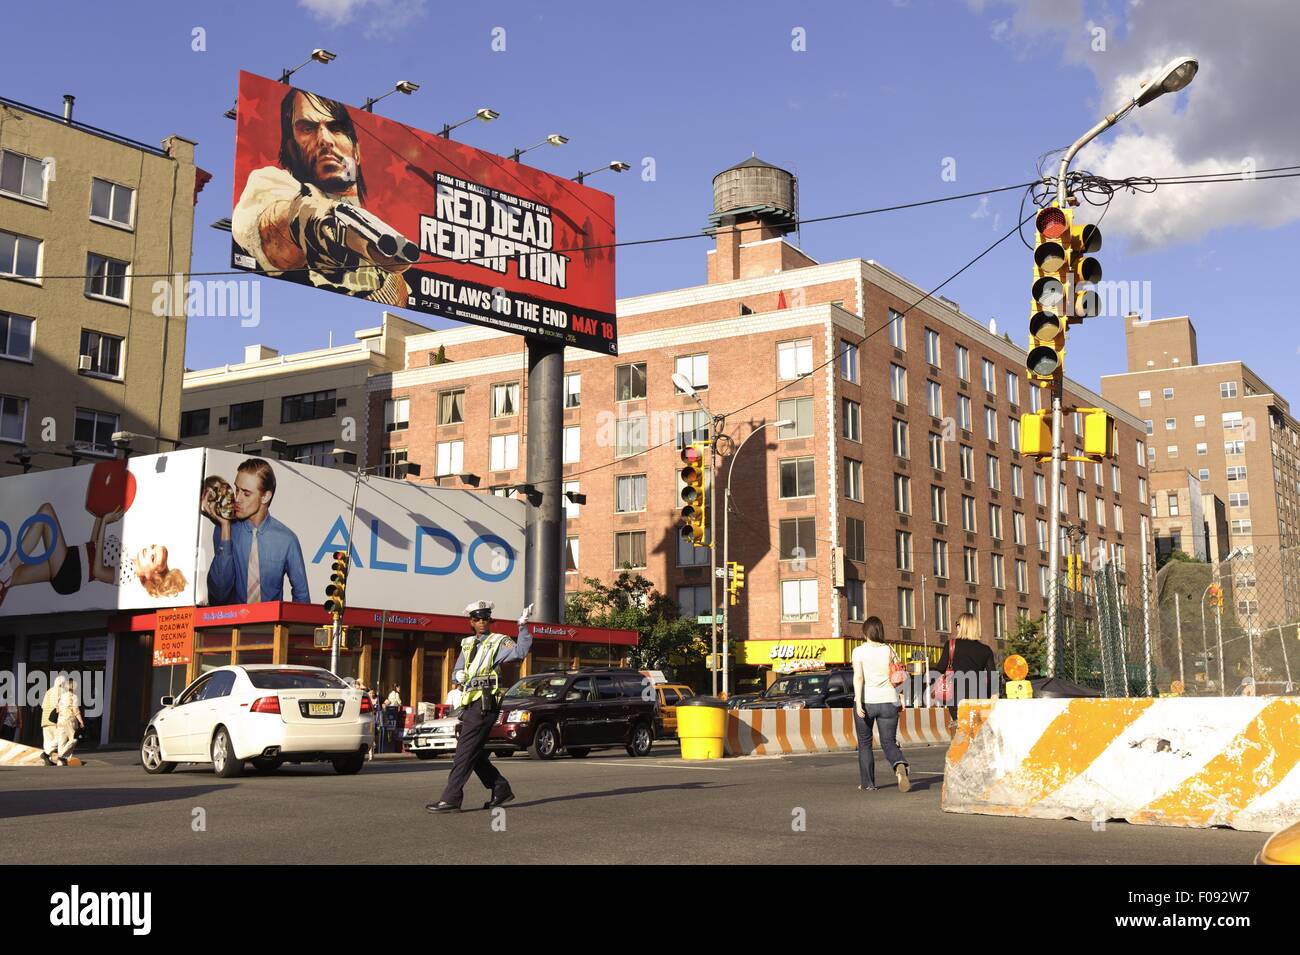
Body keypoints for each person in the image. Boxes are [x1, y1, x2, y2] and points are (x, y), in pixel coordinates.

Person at [231, 87, 414, 305]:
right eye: (308, 128)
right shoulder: (271, 185)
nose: (325, 140)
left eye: (336, 128)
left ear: (356, 149)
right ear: (291, 148)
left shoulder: (389, 252)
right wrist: (316, 223)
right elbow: (273, 224)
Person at [427, 600, 533, 814]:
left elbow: (521, 652)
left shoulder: (498, 641)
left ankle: (451, 798)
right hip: (469, 705)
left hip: (485, 704)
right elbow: (456, 672)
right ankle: (500, 788)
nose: (482, 622)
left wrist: (522, 626)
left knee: (464, 752)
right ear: (471, 622)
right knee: (473, 752)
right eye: (477, 619)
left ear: (490, 621)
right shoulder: (466, 644)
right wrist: (458, 675)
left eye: (485, 618)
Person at [203, 458, 310, 605]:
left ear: (265, 496)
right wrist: (226, 528)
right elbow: (219, 594)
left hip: (271, 626)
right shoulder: (224, 531)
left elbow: (302, 597)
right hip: (232, 624)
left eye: (246, 494)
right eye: (237, 489)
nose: (237, 498)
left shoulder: (287, 540)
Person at [0, 504, 122, 608]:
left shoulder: (129, 573)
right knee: (14, 577)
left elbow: (98, 571)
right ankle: (5, 578)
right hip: (72, 560)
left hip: (72, 572)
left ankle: (7, 569)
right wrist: (101, 515)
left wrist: (105, 522)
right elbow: (93, 546)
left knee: (46, 512)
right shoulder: (123, 548)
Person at [851, 616, 910, 793]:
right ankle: (899, 764)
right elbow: (898, 675)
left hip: (867, 701)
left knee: (864, 743)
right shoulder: (890, 650)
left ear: (865, 632)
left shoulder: (858, 651)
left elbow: (859, 677)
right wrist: (901, 697)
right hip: (889, 700)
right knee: (888, 741)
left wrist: (858, 700)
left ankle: (868, 783)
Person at [933, 613, 1000, 728]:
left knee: (961, 731)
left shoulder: (951, 645)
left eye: (957, 624)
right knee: (975, 730)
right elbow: (992, 677)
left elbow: (940, 669)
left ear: (960, 626)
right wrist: (993, 695)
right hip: (979, 696)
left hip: (955, 698)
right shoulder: (985, 650)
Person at [52, 675, 85, 766]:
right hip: (70, 720)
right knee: (74, 739)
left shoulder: (61, 697)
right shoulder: (74, 697)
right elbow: (76, 710)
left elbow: (57, 709)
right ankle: (62, 756)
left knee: (61, 741)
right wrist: (81, 721)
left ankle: (60, 762)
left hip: (60, 720)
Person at [38, 674, 65, 766]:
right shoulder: (62, 691)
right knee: (60, 739)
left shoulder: (48, 691)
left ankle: (49, 760)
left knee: (48, 740)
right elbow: (61, 706)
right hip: (55, 721)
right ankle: (45, 754)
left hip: (45, 720)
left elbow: (43, 706)